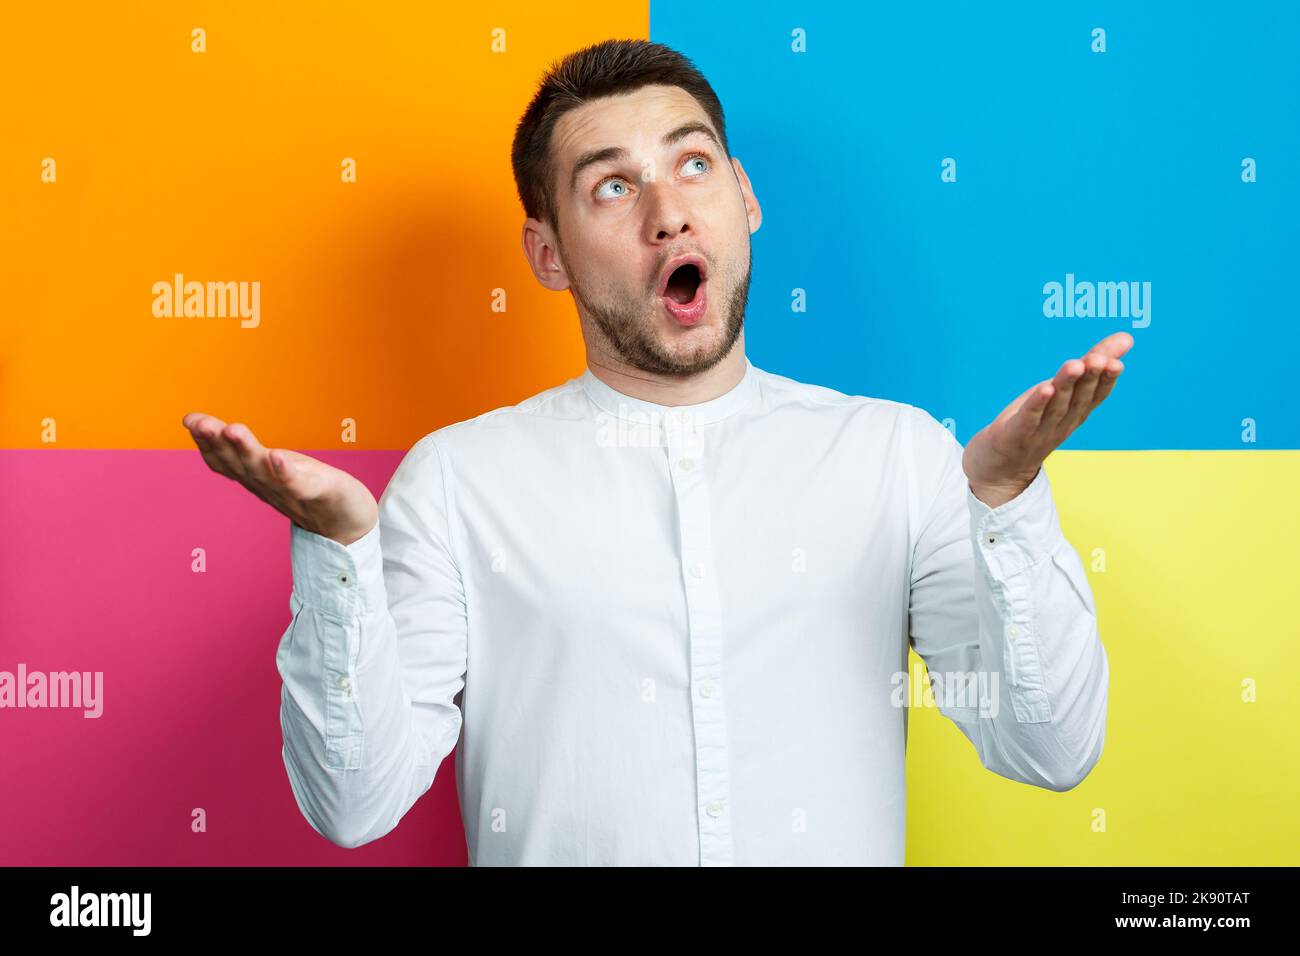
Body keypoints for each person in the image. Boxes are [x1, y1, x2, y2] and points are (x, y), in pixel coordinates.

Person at [181, 38, 1128, 866]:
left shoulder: (896, 456)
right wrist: (337, 551)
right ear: (547, 255)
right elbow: (354, 804)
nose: (668, 212)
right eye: (614, 186)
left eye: (694, 166)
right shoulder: (458, 482)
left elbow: (1051, 747)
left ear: (745, 198)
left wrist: (1005, 497)